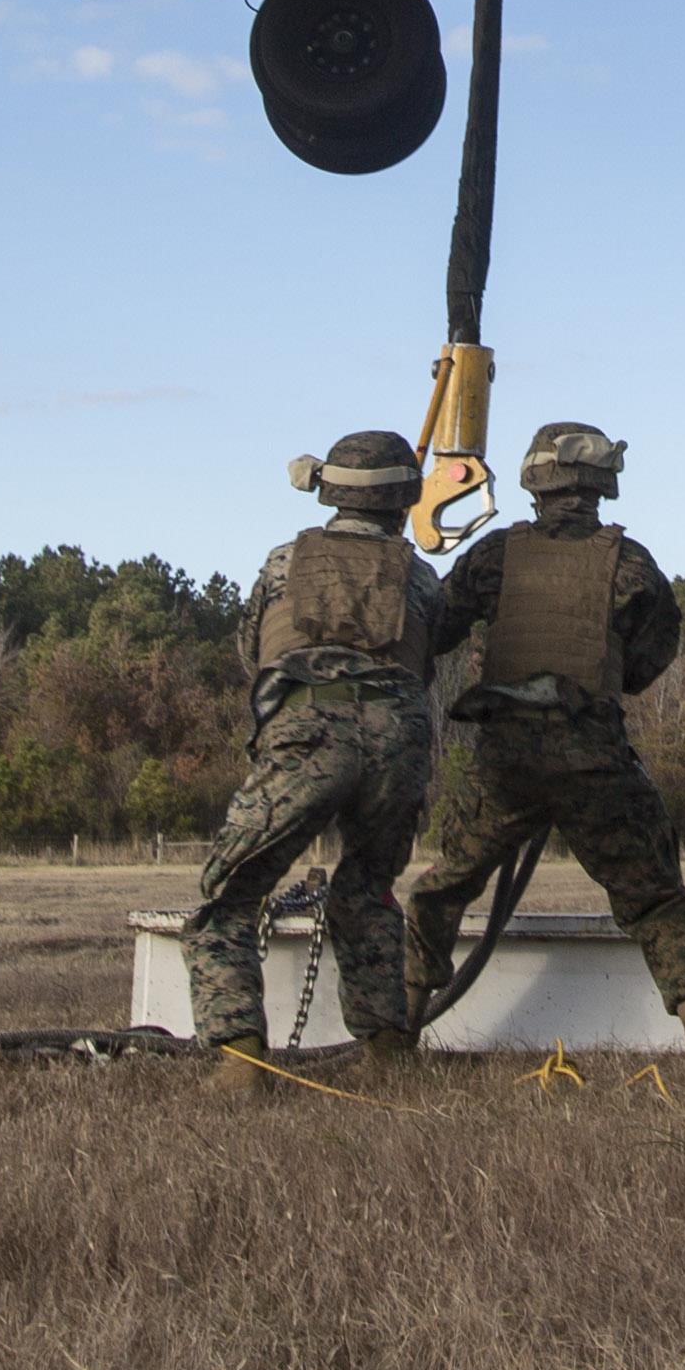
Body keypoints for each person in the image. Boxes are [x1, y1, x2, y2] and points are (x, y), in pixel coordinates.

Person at [399, 421, 685, 1059]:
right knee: (657, 897)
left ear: (535, 480)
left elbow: (434, 630)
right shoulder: (631, 563)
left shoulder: (494, 555)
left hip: (506, 761)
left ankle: (396, 1042)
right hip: (594, 758)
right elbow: (646, 661)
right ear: (602, 482)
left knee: (441, 891)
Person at [183, 429, 445, 1072]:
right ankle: (387, 1055)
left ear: (331, 493)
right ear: (404, 500)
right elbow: (428, 659)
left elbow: (253, 650)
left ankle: (241, 1062)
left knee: (231, 897)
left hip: (307, 731)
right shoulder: (421, 576)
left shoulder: (284, 563)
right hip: (398, 737)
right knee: (369, 890)